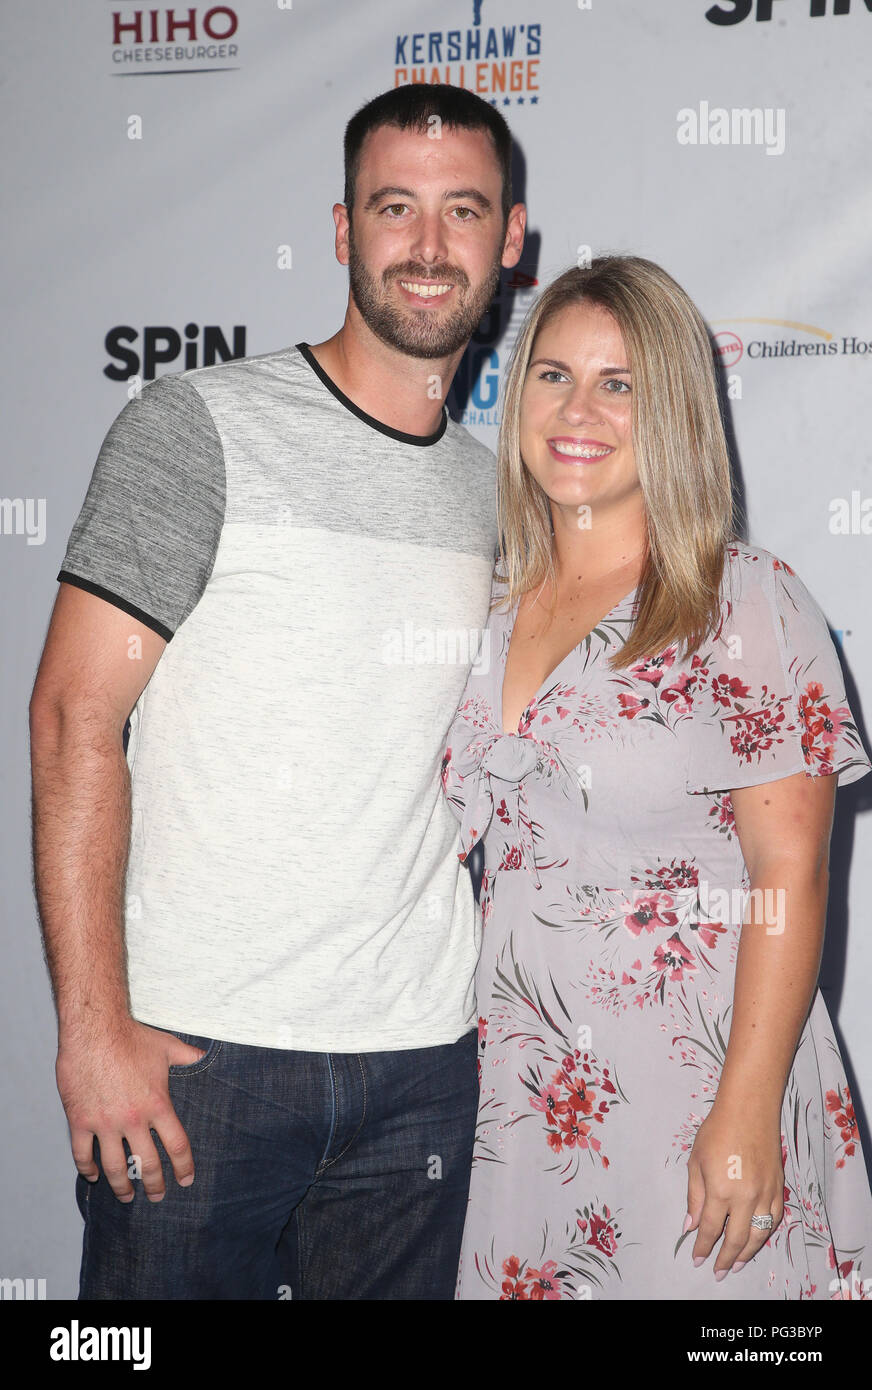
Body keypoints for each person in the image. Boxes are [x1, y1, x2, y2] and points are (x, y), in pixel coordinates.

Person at [28, 83, 526, 1300]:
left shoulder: (498, 496)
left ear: (510, 241)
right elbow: (71, 719)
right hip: (199, 1057)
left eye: (460, 211)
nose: (424, 246)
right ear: (342, 227)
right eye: (392, 208)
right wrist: (93, 1032)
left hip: (418, 1057)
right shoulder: (196, 426)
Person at [440, 255, 872, 1300]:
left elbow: (788, 871)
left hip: (701, 1095)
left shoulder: (743, 601)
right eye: (550, 375)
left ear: (670, 407)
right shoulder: (480, 600)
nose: (575, 408)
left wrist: (745, 1111)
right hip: (517, 1109)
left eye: (617, 382)